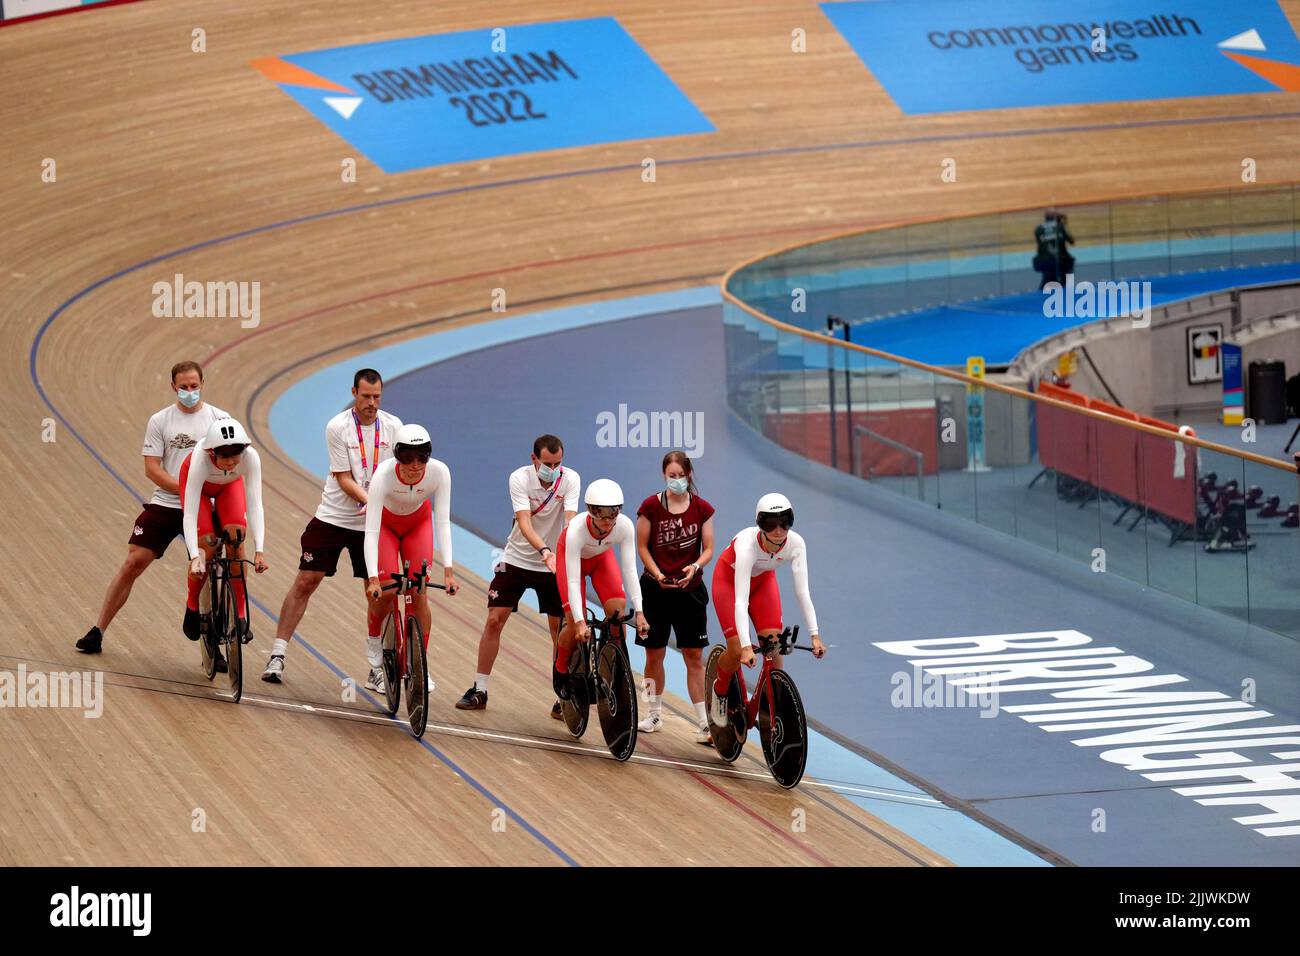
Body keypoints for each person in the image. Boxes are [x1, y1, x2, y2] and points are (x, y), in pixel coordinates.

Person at [77, 361, 230, 655]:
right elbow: (152, 469)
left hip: (203, 504)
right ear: (173, 387)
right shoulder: (160, 420)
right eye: (183, 387)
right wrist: (186, 489)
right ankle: (98, 630)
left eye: (194, 386)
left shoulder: (218, 419)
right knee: (134, 561)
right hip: (168, 501)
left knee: (208, 566)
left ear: (202, 384)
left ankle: (213, 645)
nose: (189, 391)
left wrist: (202, 494)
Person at [262, 369, 402, 683]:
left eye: (376, 396)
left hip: (372, 523)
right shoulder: (338, 427)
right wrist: (371, 500)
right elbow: (343, 478)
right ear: (354, 392)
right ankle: (277, 655)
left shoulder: (394, 427)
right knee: (306, 581)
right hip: (335, 516)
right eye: (365, 396)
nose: (371, 403)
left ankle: (377, 667)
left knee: (380, 592)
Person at [456, 435, 579, 719]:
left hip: (552, 566)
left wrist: (561, 555)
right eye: (548, 463)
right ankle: (480, 689)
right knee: (493, 620)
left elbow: (571, 519)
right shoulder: (519, 478)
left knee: (559, 632)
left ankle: (562, 697)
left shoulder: (570, 479)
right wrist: (545, 550)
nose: (554, 468)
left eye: (558, 463)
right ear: (534, 459)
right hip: (518, 559)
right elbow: (524, 522)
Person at [709, 493, 826, 730]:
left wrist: (815, 635)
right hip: (729, 583)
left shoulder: (796, 543)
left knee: (774, 648)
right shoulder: (746, 545)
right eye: (771, 524)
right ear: (760, 524)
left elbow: (803, 592)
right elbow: (741, 602)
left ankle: (768, 706)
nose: (778, 530)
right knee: (734, 649)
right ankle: (719, 692)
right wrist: (744, 647)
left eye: (784, 522)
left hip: (763, 583)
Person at [363, 424, 457, 694]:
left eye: (421, 458)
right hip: (385, 528)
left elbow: (443, 523)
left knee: (420, 592)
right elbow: (370, 531)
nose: (415, 466)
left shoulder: (440, 472)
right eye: (408, 458)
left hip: (418, 525)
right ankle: (373, 636)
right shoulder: (383, 475)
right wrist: (372, 579)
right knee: (388, 590)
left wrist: (448, 571)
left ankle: (418, 665)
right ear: (397, 457)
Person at [635, 451, 714, 742]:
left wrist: (695, 566)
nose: (677, 480)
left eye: (681, 476)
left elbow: (708, 548)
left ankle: (705, 723)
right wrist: (657, 574)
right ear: (664, 476)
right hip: (655, 591)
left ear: (689, 475)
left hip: (690, 591)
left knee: (694, 656)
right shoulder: (650, 507)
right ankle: (652, 713)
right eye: (672, 476)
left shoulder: (702, 508)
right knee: (653, 653)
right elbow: (642, 547)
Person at [181, 419, 270, 671]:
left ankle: (240, 614)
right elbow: (189, 514)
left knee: (237, 540)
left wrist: (260, 549)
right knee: (207, 545)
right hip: (198, 491)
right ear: (211, 453)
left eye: (237, 455)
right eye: (225, 457)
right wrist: (194, 556)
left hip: (228, 487)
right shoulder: (199, 460)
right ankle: (191, 605)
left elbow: (255, 504)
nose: (232, 462)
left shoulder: (250, 458)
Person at [552, 479, 649, 701]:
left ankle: (611, 660)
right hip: (572, 561)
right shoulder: (576, 529)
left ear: (619, 510)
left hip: (600, 560)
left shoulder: (624, 526)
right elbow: (574, 582)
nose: (607, 520)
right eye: (600, 513)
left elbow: (630, 570)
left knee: (618, 612)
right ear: (590, 510)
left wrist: (641, 612)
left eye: (613, 512)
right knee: (578, 619)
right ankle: (561, 667)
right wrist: (578, 621)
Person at [1033, 210, 1075, 290]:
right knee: (1066, 272)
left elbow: (1041, 244)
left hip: (1043, 261)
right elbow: (1072, 241)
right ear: (1055, 218)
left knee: (1047, 279)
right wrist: (1063, 225)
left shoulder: (1038, 229)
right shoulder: (1060, 227)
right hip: (1061, 260)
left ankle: (1042, 293)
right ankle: (1067, 290)